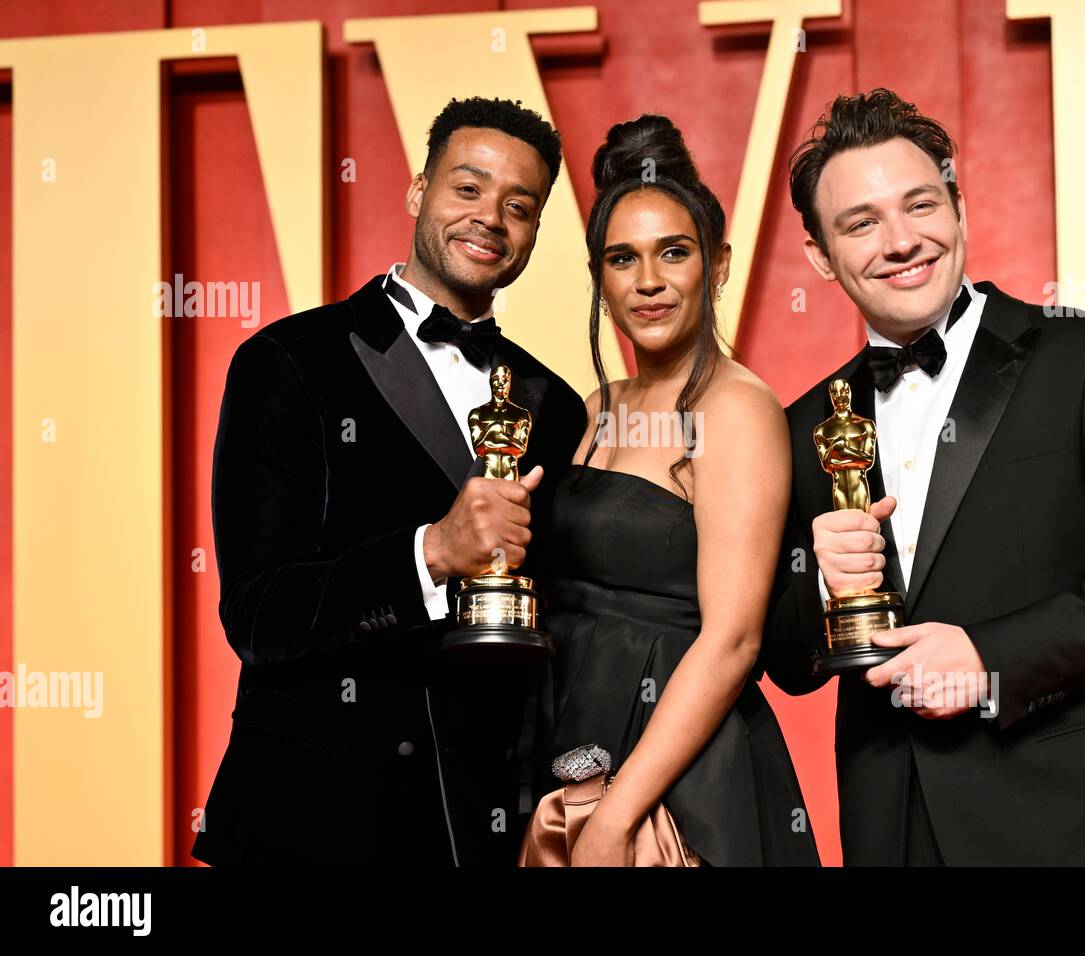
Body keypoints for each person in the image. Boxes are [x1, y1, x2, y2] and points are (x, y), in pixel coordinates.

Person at [762, 89, 1085, 865]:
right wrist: (821, 590)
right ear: (820, 257)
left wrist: (987, 659)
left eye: (920, 205)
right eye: (863, 222)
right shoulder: (805, 425)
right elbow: (787, 663)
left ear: (959, 207)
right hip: (894, 824)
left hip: (1075, 820)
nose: (902, 240)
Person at [192, 97, 587, 866]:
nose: (490, 220)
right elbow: (258, 614)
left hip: (481, 825)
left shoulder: (555, 404)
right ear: (417, 191)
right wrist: (431, 553)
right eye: (467, 189)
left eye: (520, 206)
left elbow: (560, 633)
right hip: (311, 819)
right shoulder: (290, 362)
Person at [537, 115, 819, 866]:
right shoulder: (594, 408)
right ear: (599, 275)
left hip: (679, 775)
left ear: (718, 264)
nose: (649, 282)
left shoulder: (738, 409)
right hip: (570, 746)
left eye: (674, 253)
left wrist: (617, 816)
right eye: (622, 259)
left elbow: (733, 640)